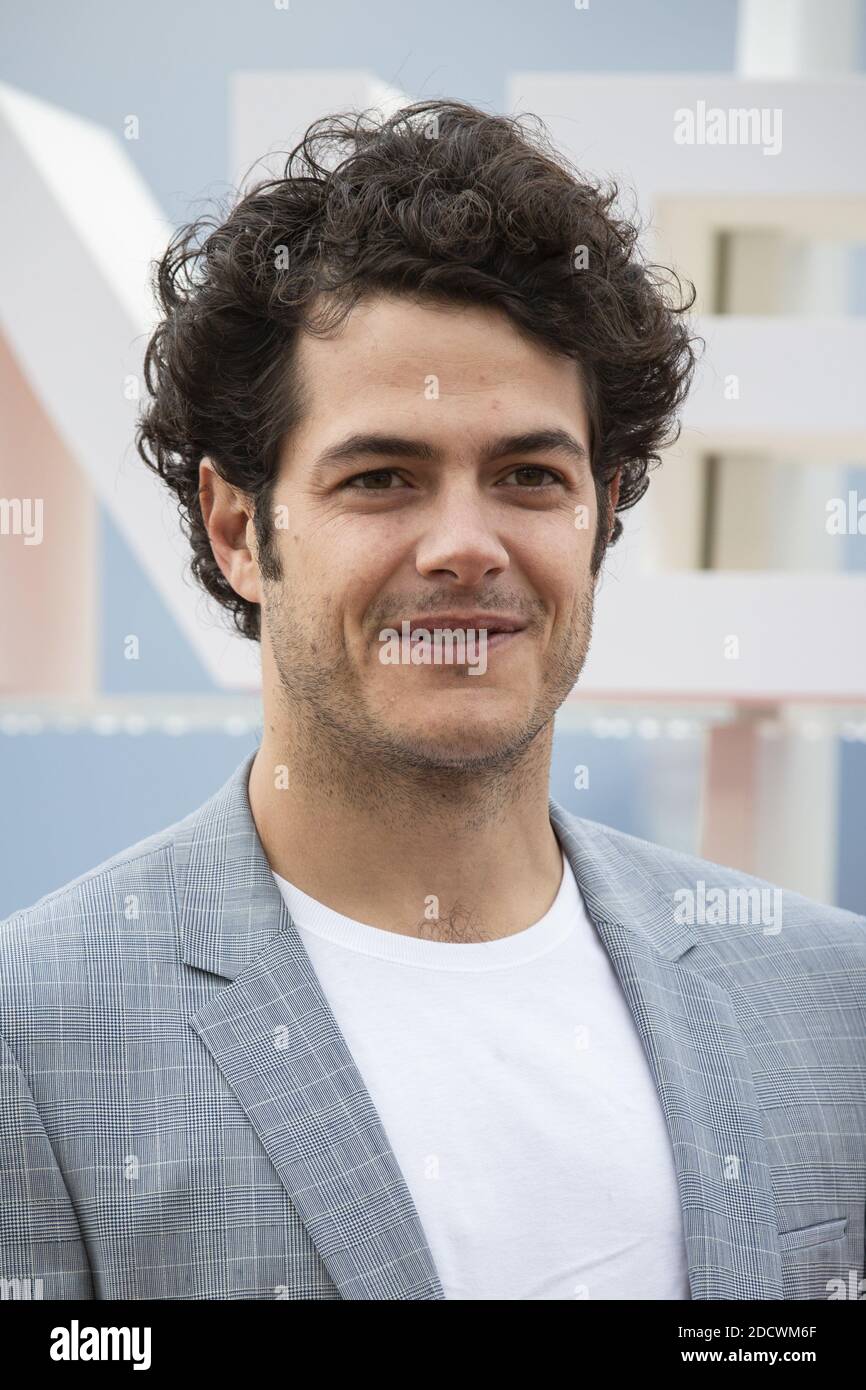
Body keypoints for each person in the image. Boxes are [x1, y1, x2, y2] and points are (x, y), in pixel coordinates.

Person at [1, 100, 863, 1302]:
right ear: (240, 527)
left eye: (526, 475)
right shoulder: (33, 1040)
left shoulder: (832, 1003)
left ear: (599, 512)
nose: (466, 545)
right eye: (382, 477)